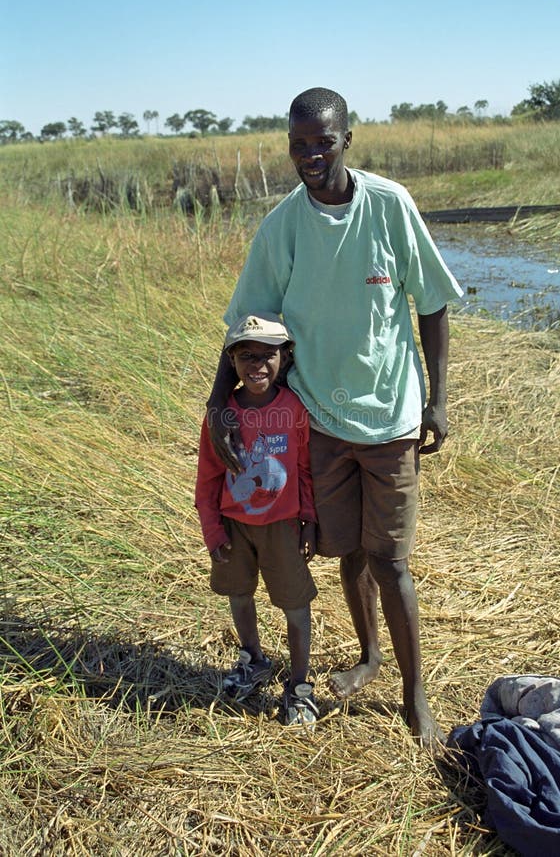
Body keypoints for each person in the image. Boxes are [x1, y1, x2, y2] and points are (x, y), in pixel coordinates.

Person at [206, 87, 463, 746]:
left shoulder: (390, 205)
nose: (311, 156)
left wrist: (436, 399)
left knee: (390, 561)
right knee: (348, 551)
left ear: (347, 139)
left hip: (391, 417)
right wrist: (217, 403)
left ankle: (414, 696)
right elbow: (247, 323)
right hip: (319, 419)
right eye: (299, 145)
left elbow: (432, 302)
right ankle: (369, 656)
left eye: (323, 142)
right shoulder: (284, 226)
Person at [195, 311, 319, 726]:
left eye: (268, 354)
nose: (257, 365)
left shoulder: (294, 409)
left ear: (285, 357)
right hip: (234, 527)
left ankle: (299, 685)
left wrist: (308, 518)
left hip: (283, 528)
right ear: (231, 360)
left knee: (295, 606)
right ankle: (253, 659)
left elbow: (304, 469)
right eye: (246, 355)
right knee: (239, 595)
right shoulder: (222, 416)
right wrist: (212, 531)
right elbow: (208, 479)